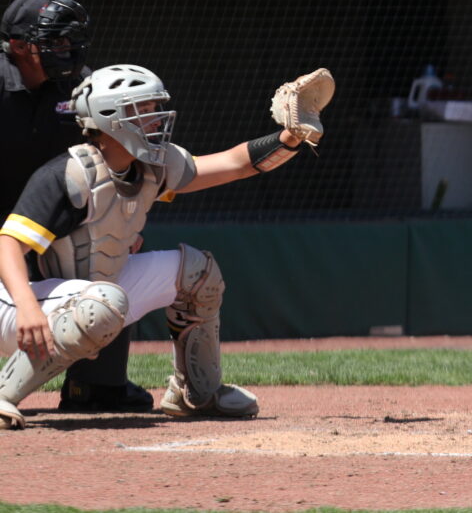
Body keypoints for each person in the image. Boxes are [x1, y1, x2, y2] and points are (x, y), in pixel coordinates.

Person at [0, 63, 334, 429]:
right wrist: (29, 309)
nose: (156, 118)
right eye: (143, 110)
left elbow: (235, 164)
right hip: (18, 303)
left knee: (196, 272)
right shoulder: (69, 174)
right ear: (111, 119)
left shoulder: (152, 166)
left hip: (91, 295)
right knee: (103, 302)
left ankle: (198, 392)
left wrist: (290, 137)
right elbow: (7, 245)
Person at [0, 0, 153, 413]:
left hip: (49, 224)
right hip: (10, 232)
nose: (68, 51)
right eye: (55, 41)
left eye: (71, 41)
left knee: (104, 246)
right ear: (18, 46)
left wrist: (126, 224)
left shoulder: (82, 87)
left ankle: (98, 385)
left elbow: (110, 160)